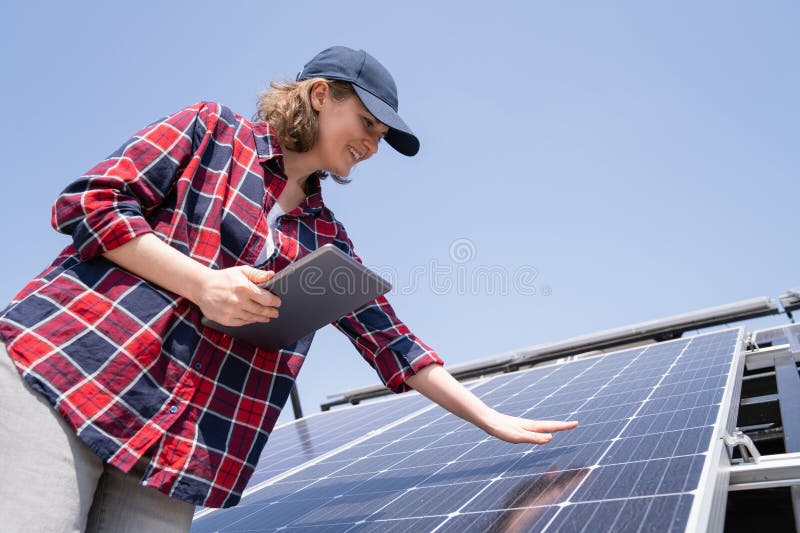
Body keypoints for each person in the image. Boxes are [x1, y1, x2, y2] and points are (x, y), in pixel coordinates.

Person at [0, 46, 578, 532]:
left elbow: (392, 342)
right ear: (321, 95)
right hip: (72, 375)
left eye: (381, 136)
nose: (372, 145)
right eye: (368, 124)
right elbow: (92, 203)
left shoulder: (325, 239)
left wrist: (488, 419)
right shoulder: (211, 131)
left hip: (176, 447)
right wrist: (203, 284)